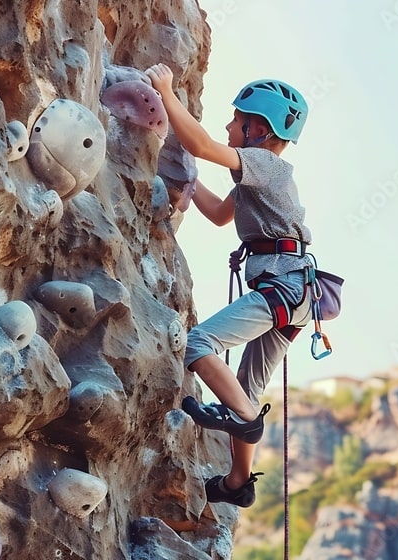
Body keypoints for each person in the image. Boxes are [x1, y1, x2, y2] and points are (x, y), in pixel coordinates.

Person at [146, 63, 313, 507]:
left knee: (197, 343)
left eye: (236, 119)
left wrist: (165, 91)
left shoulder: (267, 165)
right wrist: (190, 184)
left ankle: (244, 419)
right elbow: (222, 214)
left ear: (258, 129)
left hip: (283, 287)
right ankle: (238, 481)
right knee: (247, 383)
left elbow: (200, 144)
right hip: (292, 292)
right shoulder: (255, 180)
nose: (227, 124)